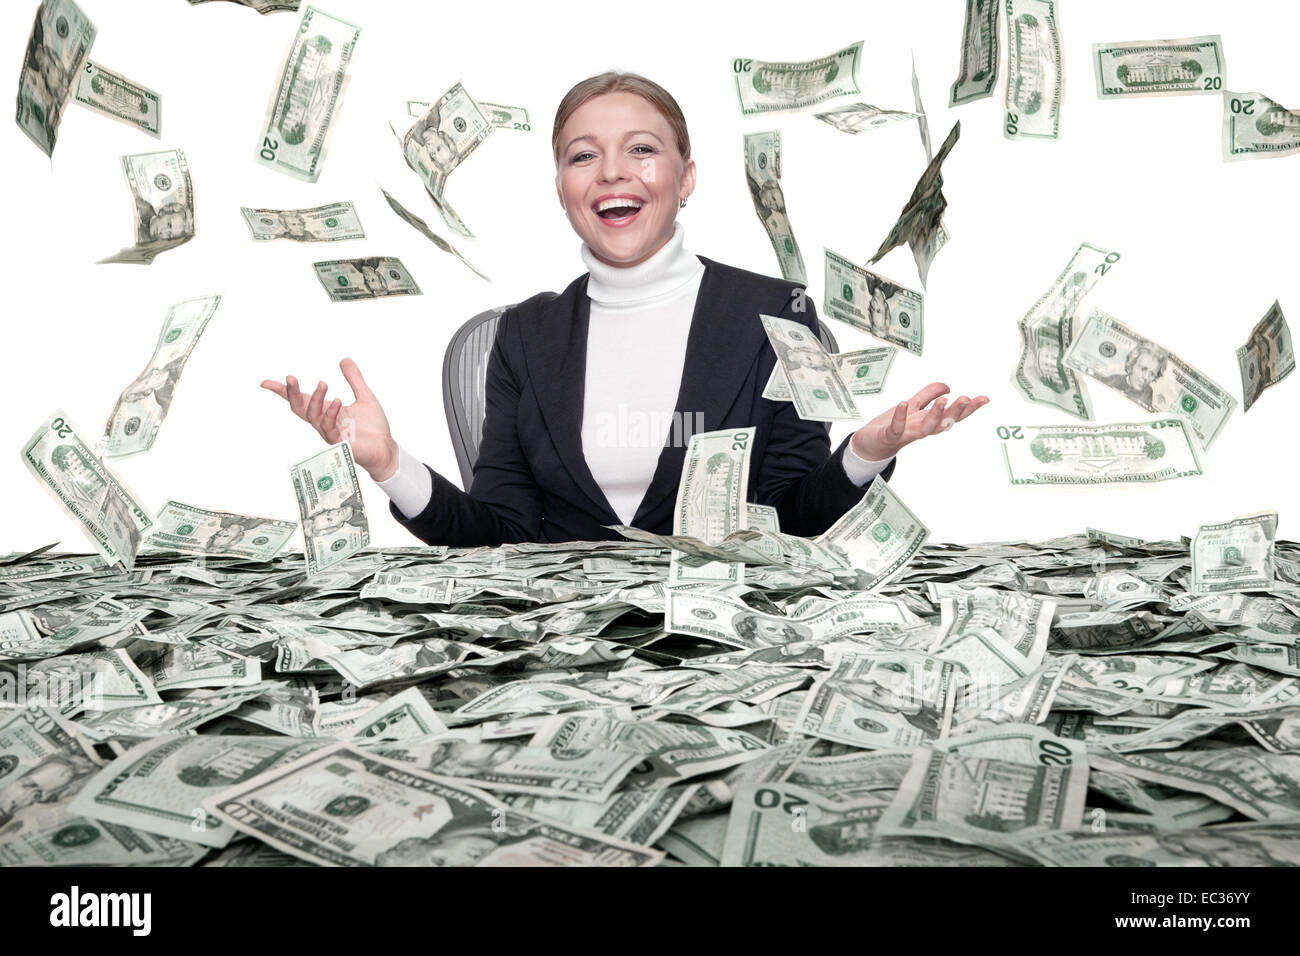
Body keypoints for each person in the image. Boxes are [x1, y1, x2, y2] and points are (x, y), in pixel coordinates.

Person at [262, 72, 988, 547]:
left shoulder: (776, 316)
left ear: (686, 177)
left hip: (723, 650)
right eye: (583, 156)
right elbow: (497, 535)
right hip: (560, 647)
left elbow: (792, 521)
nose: (612, 171)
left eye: (641, 149)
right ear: (561, 188)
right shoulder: (523, 334)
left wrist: (869, 449)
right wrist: (390, 464)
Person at [1100, 344, 1166, 407]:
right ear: (1131, 365)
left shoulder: (1148, 391)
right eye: (1143, 369)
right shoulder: (1113, 380)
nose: (1146, 377)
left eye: (1152, 374)